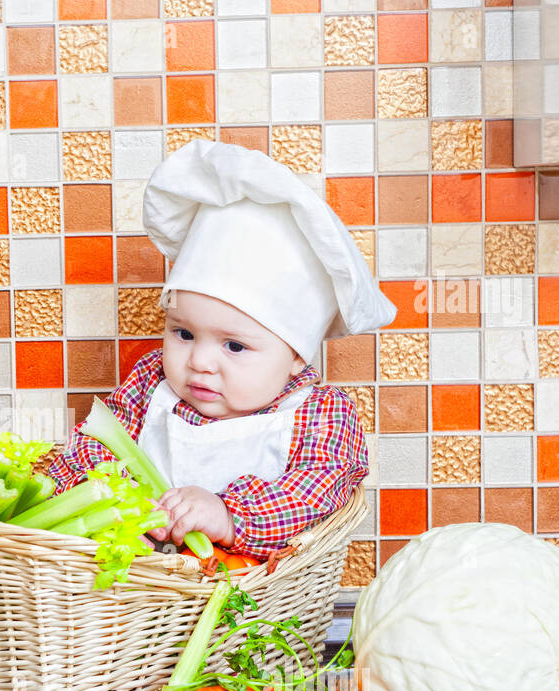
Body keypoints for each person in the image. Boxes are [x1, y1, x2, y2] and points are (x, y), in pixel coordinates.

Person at [46, 140, 397, 559]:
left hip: (248, 600)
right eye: (184, 334)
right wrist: (109, 503)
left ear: (297, 356)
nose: (199, 362)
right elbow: (91, 445)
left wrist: (230, 515)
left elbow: (317, 490)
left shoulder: (318, 414)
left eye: (234, 345)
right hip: (136, 600)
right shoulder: (151, 382)